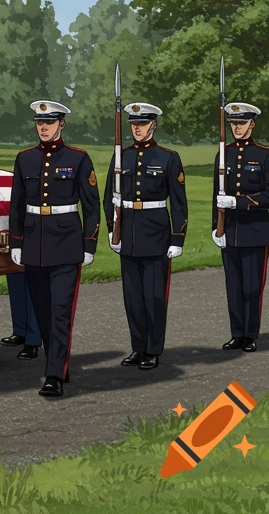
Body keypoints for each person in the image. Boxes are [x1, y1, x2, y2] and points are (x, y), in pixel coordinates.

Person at [8, 100, 98, 397]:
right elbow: (17, 205)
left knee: (61, 310)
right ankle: (57, 362)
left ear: (62, 124)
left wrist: (89, 244)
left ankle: (54, 375)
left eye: (50, 122)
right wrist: (17, 241)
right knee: (43, 311)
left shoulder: (79, 158)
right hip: (34, 243)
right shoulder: (25, 159)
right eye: (39, 122)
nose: (43, 127)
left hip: (66, 243)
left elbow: (91, 206)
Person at [104, 103, 186, 370]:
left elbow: (178, 202)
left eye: (142, 124)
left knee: (153, 297)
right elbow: (108, 197)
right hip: (128, 234)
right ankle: (138, 347)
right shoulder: (120, 157)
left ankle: (153, 349)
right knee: (133, 298)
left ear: (154, 125)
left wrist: (177, 238)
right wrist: (111, 229)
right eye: (133, 125)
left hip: (156, 234)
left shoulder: (168, 157)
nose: (137, 129)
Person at [213, 102, 269, 352]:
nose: (237, 128)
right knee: (233, 286)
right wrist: (216, 228)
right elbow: (216, 196)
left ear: (252, 124)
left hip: (254, 231)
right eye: (233, 124)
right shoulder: (223, 154)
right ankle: (237, 333)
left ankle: (251, 334)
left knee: (252, 287)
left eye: (241, 123)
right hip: (230, 231)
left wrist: (239, 202)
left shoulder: (265, 155)